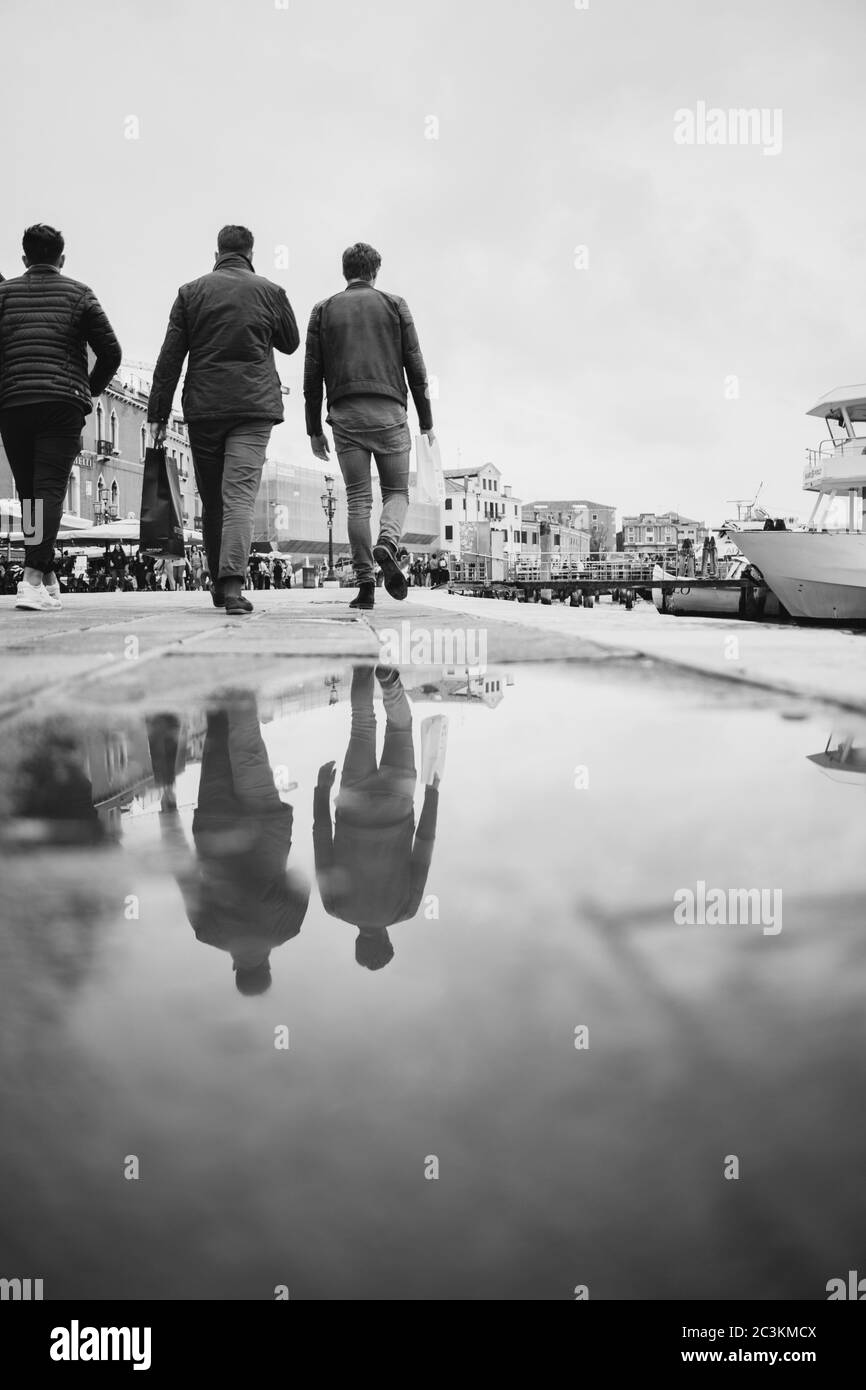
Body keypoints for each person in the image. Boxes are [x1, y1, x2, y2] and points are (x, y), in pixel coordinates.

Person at [148, 225, 299, 616]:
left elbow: (170, 358)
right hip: (253, 409)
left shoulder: (190, 293)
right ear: (250, 253)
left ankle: (220, 582)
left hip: (205, 409)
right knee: (239, 498)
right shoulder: (270, 291)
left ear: (216, 253)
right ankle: (231, 586)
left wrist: (158, 414)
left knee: (213, 500)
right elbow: (290, 341)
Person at [303, 241, 434, 612]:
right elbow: (416, 367)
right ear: (375, 272)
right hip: (390, 411)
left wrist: (314, 428)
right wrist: (426, 422)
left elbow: (312, 376)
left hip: (345, 415)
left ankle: (365, 586)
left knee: (358, 500)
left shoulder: (322, 310)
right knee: (396, 492)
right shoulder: (395, 305)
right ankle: (388, 544)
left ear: (346, 272)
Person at [0, 224, 121, 611]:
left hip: (14, 405)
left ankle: (47, 577)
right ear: (62, 259)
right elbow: (111, 352)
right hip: (61, 405)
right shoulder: (79, 294)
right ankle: (32, 579)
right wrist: (88, 388)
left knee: (31, 494)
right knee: (48, 490)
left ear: (24, 259)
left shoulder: (3, 295)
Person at [314, 665, 441, 971]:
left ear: (386, 940)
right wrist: (321, 791)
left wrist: (432, 793)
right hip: (353, 805)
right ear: (359, 941)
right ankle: (361, 663)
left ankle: (389, 682)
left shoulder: (406, 910)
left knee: (400, 727)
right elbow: (321, 839)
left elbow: (424, 845)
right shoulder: (334, 907)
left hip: (397, 803)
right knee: (361, 723)